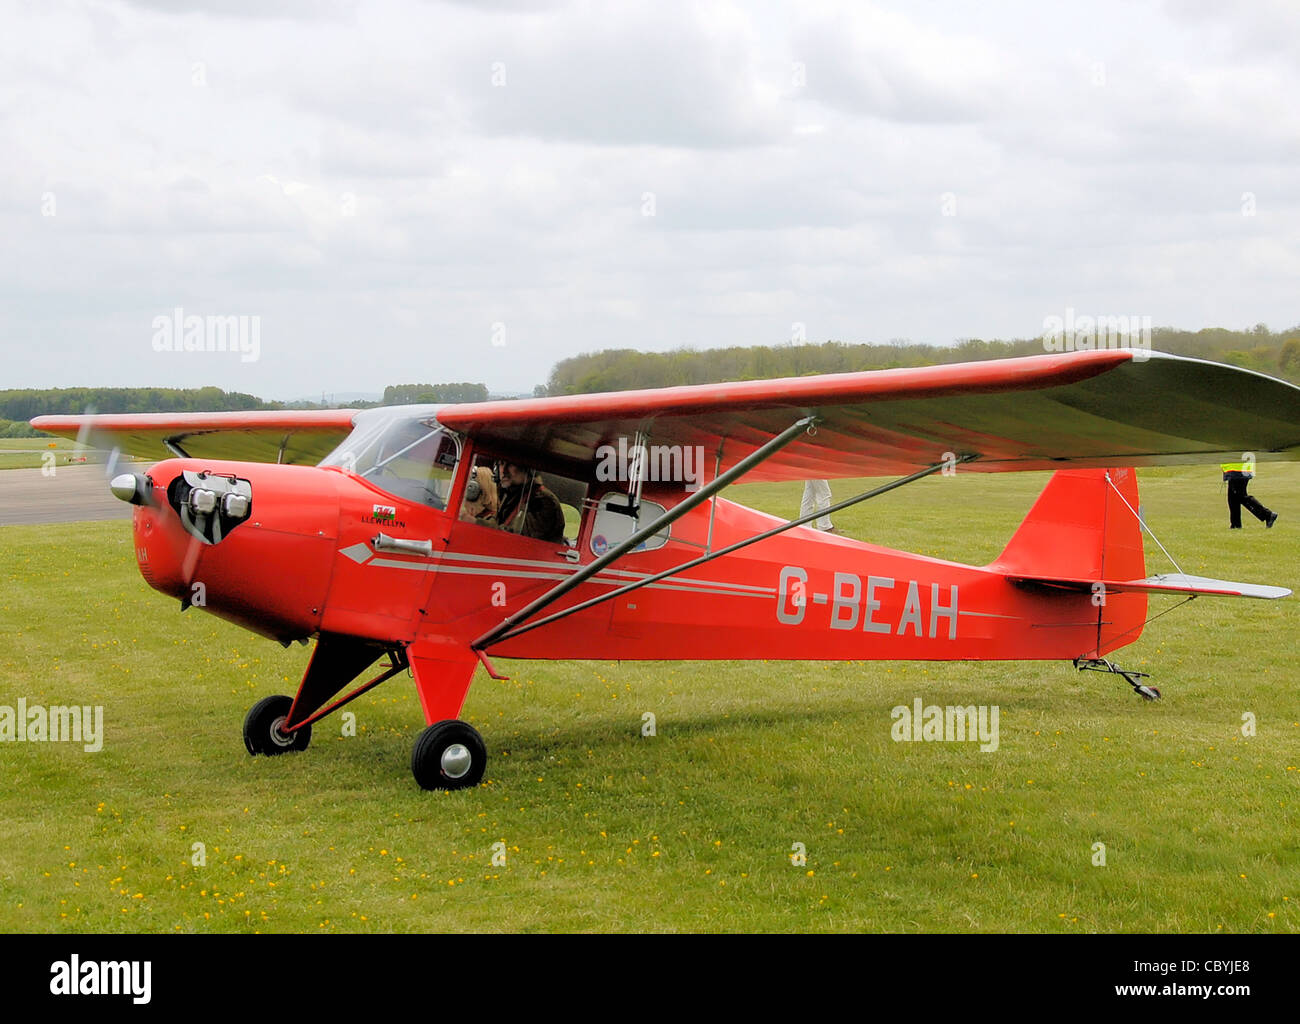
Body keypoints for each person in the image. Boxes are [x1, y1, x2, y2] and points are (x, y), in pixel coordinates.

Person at [495, 461, 567, 543]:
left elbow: (520, 539)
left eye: (511, 464)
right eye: (501, 464)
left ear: (528, 469)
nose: (503, 471)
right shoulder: (511, 494)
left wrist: (480, 523)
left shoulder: (544, 500)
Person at [1221, 462, 1278, 529]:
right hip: (1236, 469)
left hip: (1239, 469)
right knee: (1233, 497)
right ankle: (1235, 525)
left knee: (1240, 496)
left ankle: (1268, 514)